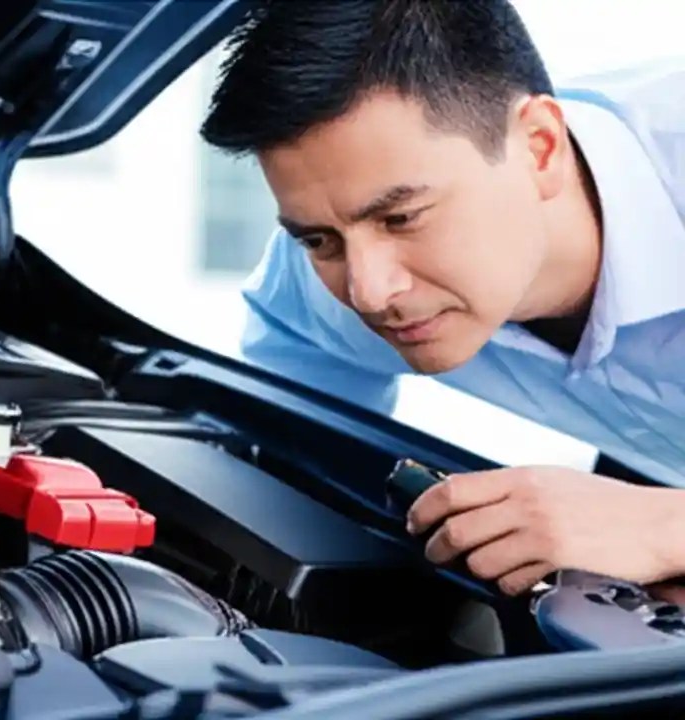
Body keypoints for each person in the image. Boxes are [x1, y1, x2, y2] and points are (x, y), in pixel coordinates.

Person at [199, 0, 685, 597]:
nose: (369, 293)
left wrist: (664, 527)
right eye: (319, 239)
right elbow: (299, 459)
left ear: (539, 147)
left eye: (401, 218)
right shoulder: (320, 284)